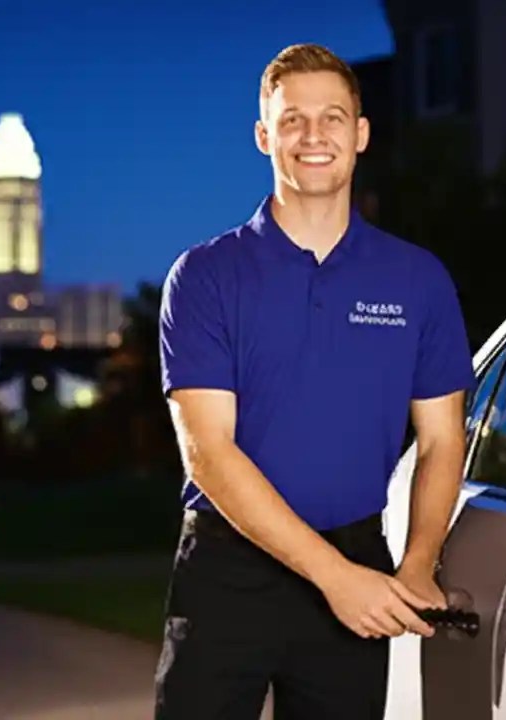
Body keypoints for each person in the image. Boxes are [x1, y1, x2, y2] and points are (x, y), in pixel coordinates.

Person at [153, 43, 476, 719]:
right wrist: (335, 580)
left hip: (357, 551)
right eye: (292, 120)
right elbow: (209, 452)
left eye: (332, 117)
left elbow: (444, 441)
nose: (313, 136)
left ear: (360, 134)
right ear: (264, 136)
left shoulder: (417, 280)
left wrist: (417, 563)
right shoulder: (206, 276)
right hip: (227, 570)